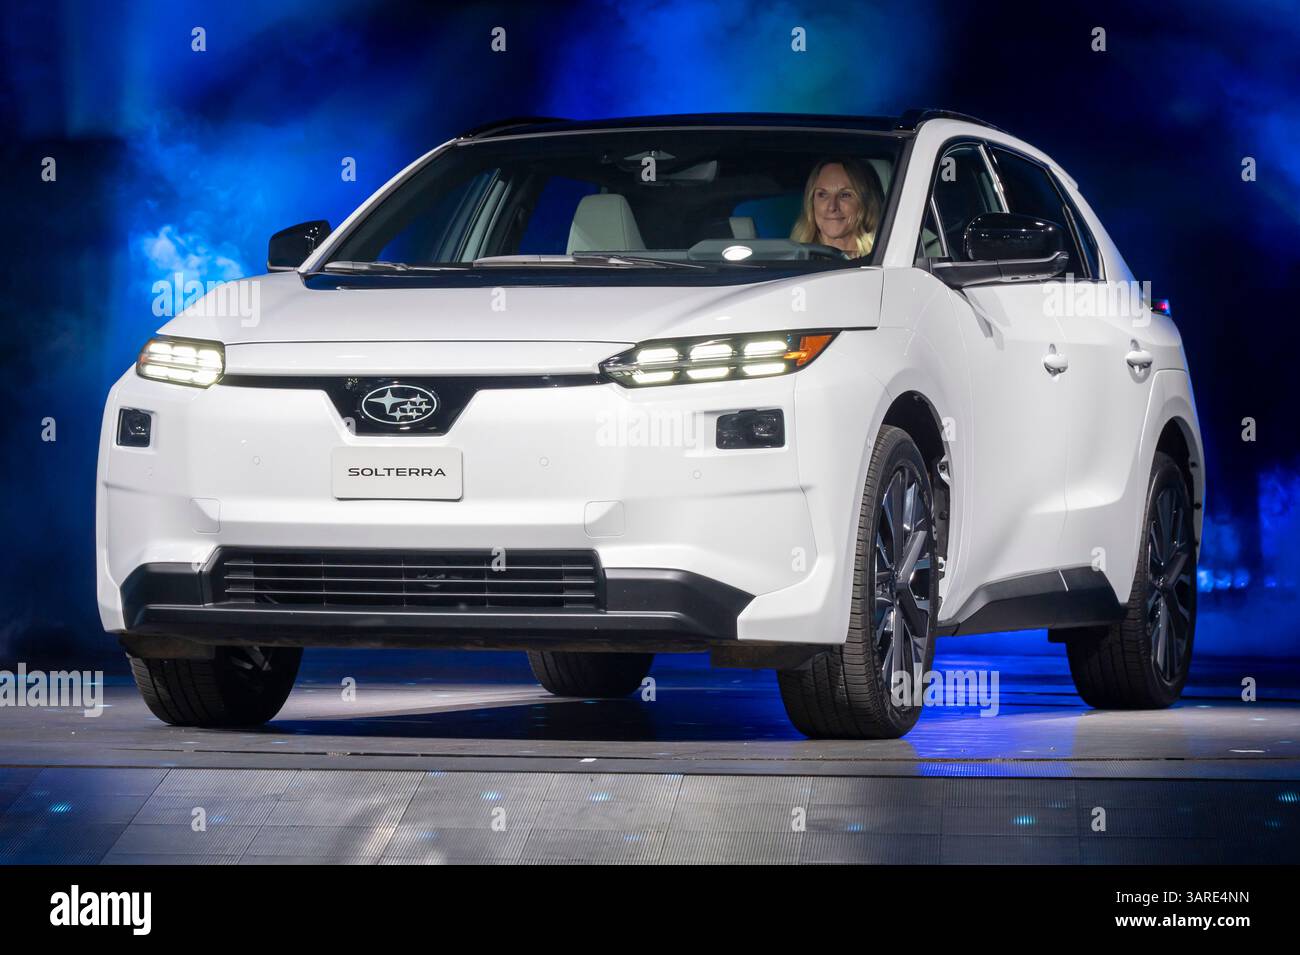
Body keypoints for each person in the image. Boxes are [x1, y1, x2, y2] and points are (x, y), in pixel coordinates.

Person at [790, 157, 883, 257]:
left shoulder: (885, 259)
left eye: (845, 195)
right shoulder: (792, 260)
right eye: (822, 194)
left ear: (867, 202)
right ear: (812, 202)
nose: (832, 207)